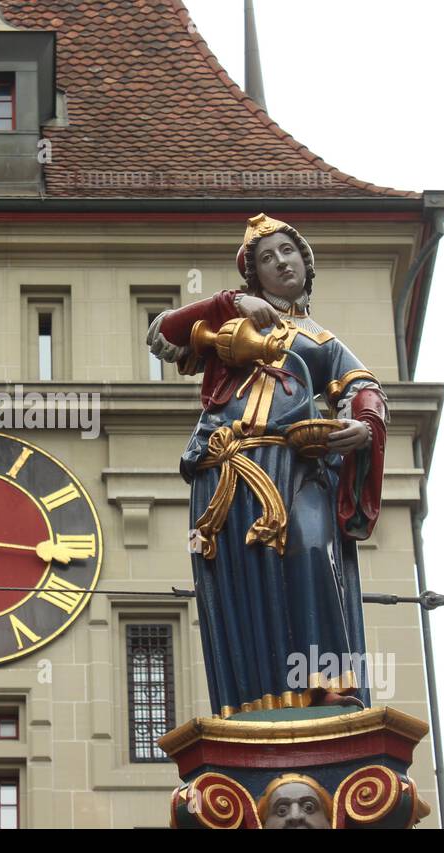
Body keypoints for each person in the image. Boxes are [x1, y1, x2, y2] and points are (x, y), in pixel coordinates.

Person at [147, 213, 388, 717]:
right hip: (226, 468)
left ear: (305, 261)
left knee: (314, 546)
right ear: (254, 274)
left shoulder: (323, 342)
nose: (281, 262)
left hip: (296, 464)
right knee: (238, 578)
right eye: (266, 257)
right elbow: (163, 332)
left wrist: (364, 425)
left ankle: (326, 681)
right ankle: (252, 697)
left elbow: (364, 389)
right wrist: (231, 302)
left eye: (288, 251)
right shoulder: (235, 318)